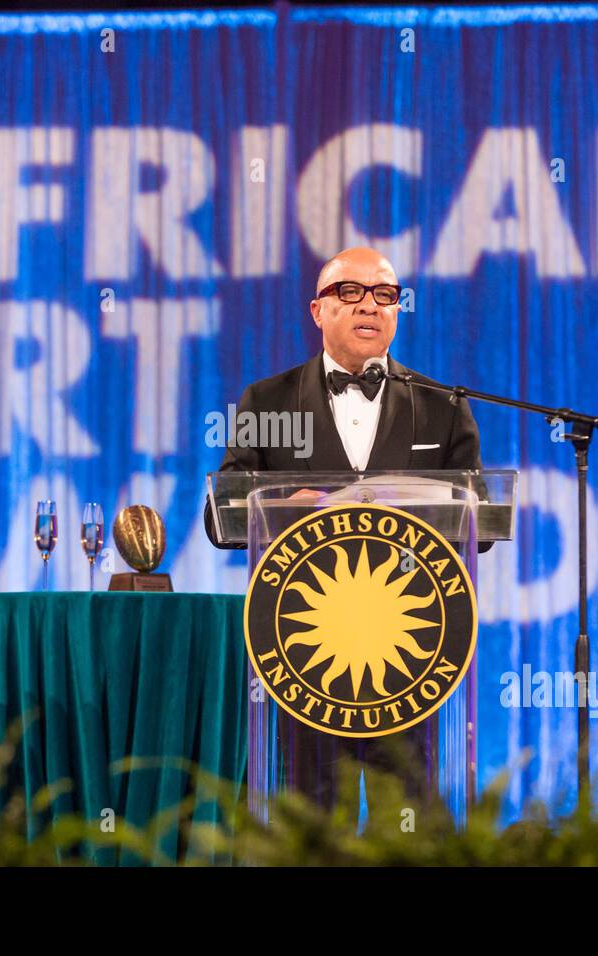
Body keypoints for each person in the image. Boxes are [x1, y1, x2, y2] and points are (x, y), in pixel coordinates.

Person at [205, 246, 486, 815]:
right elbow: (222, 518)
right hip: (302, 647)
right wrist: (285, 503)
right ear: (317, 310)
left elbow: (478, 519)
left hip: (412, 650)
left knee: (406, 824)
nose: (370, 306)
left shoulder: (443, 404)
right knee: (312, 825)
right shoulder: (268, 400)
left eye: (385, 295)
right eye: (350, 292)